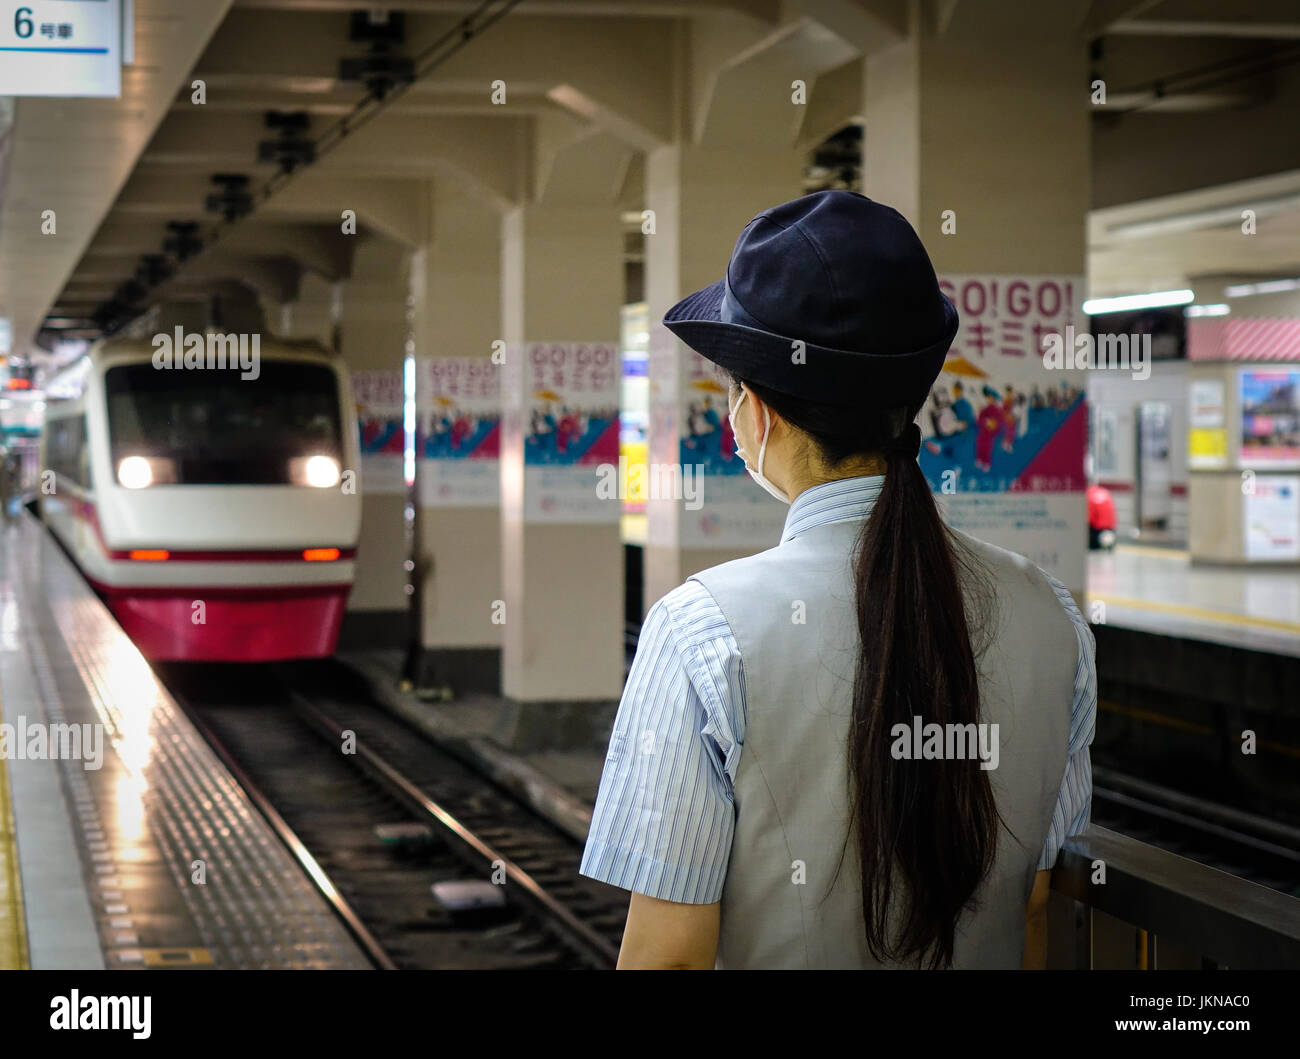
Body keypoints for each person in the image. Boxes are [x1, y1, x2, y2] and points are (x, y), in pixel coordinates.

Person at [579, 190, 1096, 970]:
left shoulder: (702, 631)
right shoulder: (1052, 616)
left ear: (760, 413)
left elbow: (669, 956)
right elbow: (1033, 908)